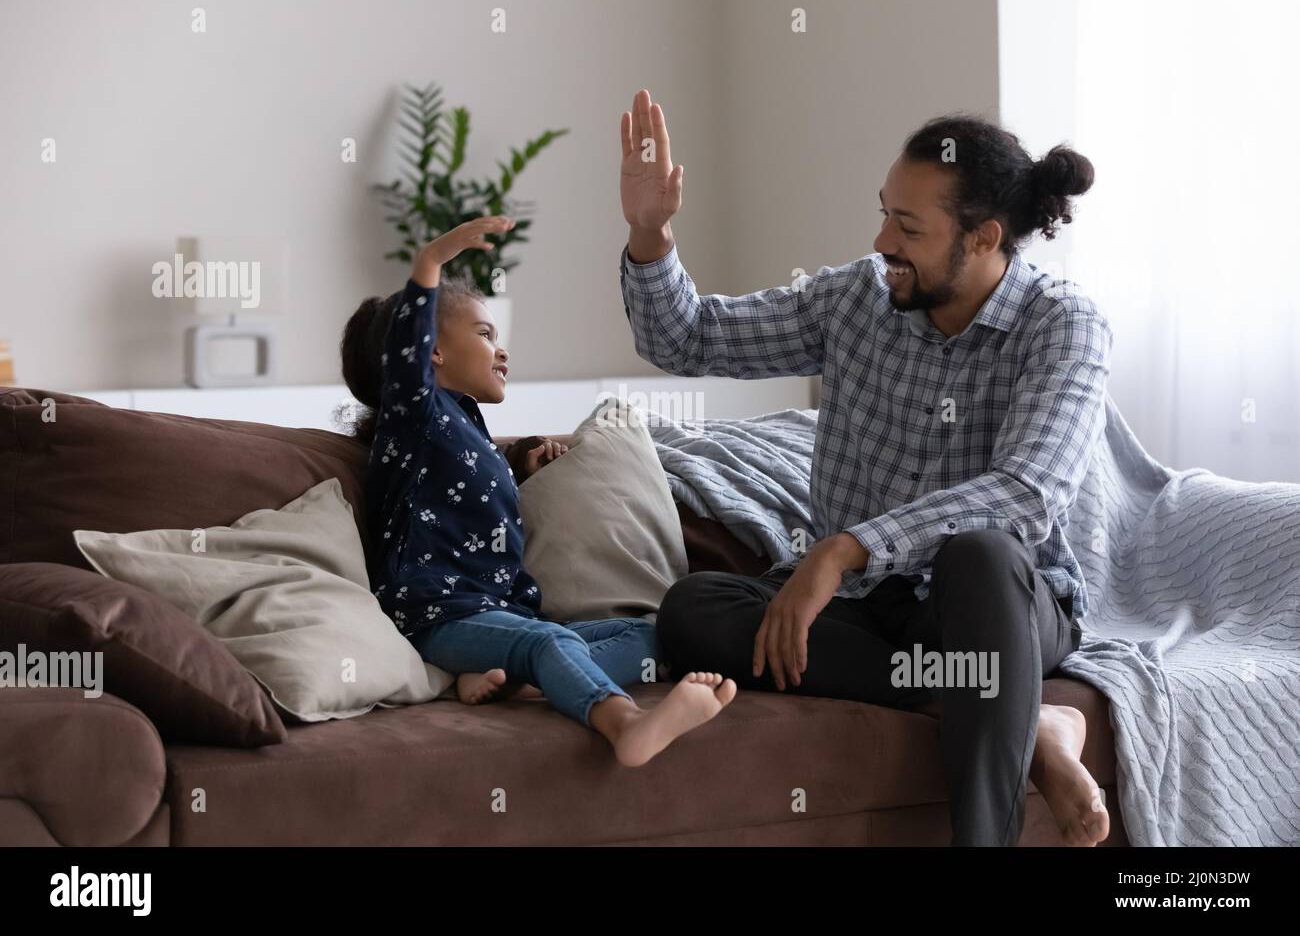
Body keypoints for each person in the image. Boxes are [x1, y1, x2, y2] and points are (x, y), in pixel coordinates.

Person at [619, 88, 1111, 843]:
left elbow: (1028, 491)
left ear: (983, 237)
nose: (882, 241)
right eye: (884, 213)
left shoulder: (1062, 324)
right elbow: (689, 339)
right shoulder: (858, 297)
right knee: (694, 612)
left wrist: (846, 548)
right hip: (866, 608)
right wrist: (650, 234)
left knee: (980, 554)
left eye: (908, 227)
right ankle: (1013, 714)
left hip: (995, 607)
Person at [339, 215, 736, 766]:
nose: (501, 351)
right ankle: (624, 725)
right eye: (484, 335)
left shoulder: (464, 427)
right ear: (431, 351)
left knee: (653, 634)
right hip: (438, 615)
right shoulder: (414, 415)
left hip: (504, 613)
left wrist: (521, 464)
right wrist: (431, 261)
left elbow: (464, 490)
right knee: (552, 642)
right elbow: (408, 362)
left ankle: (521, 678)